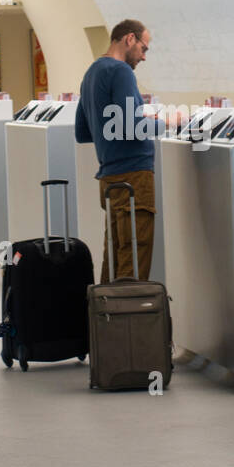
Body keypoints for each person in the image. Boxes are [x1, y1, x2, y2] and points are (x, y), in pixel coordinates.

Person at [75, 19, 157, 282]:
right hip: (134, 177)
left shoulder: (91, 72)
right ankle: (129, 321)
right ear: (129, 39)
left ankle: (107, 319)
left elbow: (83, 131)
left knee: (114, 256)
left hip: (109, 179)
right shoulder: (121, 71)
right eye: (144, 48)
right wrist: (171, 122)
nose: (143, 57)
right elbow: (133, 127)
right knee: (134, 257)